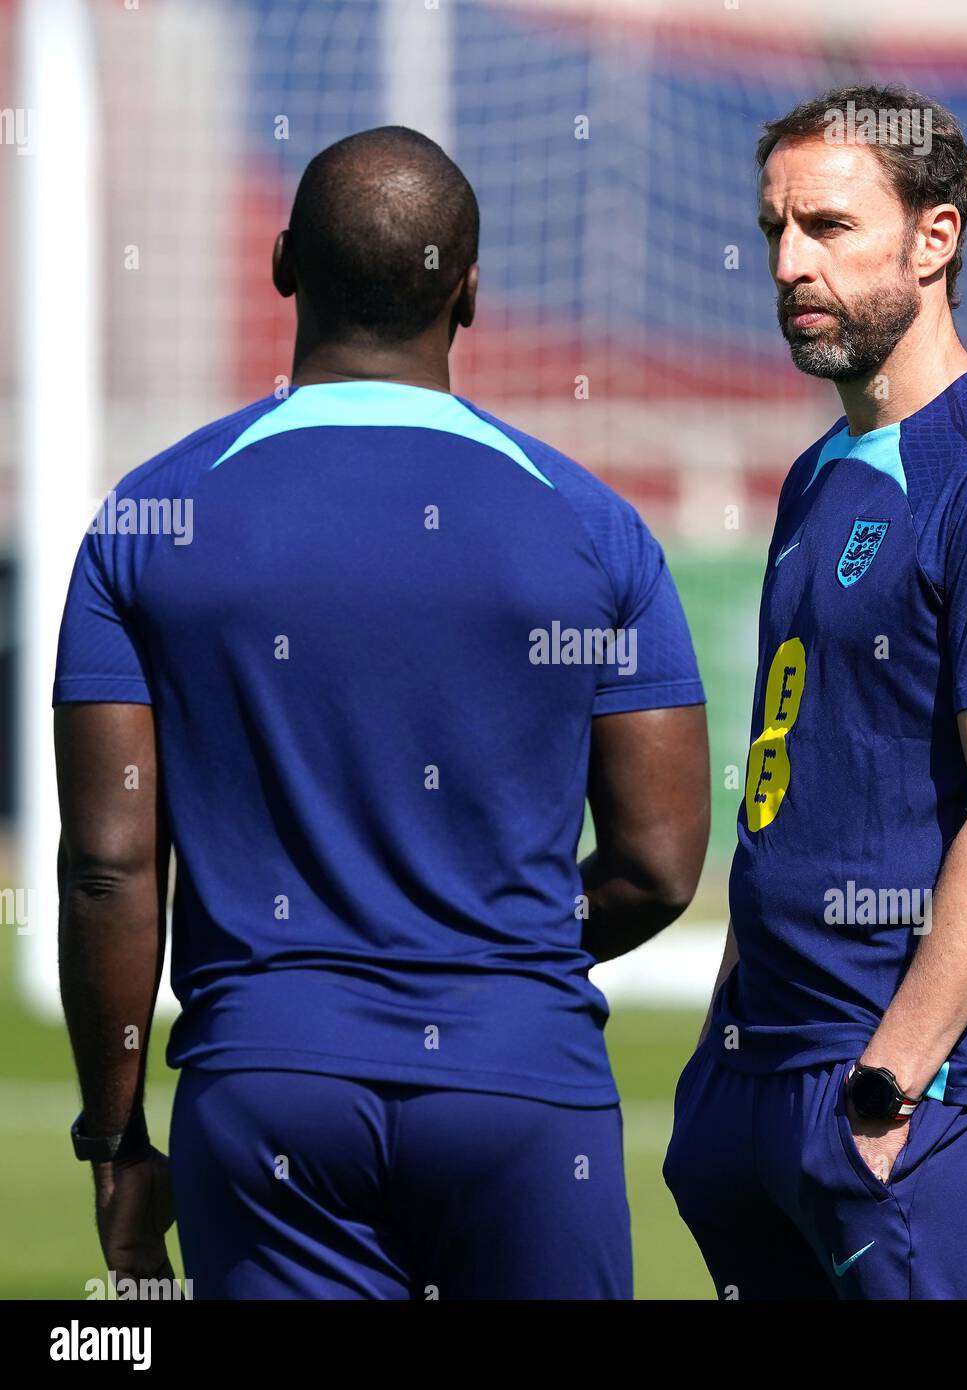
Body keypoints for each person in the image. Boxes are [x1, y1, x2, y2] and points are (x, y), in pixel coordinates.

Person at [55, 126, 710, 1300]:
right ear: (469, 287)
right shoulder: (594, 526)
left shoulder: (146, 520)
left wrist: (114, 1140)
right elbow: (659, 866)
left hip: (264, 1091)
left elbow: (110, 866)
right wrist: (488, 964)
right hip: (524, 1088)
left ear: (282, 265)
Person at [664, 84, 967, 1300]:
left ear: (934, 237)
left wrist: (882, 1085)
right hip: (764, 1079)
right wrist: (724, 1060)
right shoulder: (816, 472)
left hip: (912, 1095)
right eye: (773, 231)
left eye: (828, 227)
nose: (788, 263)